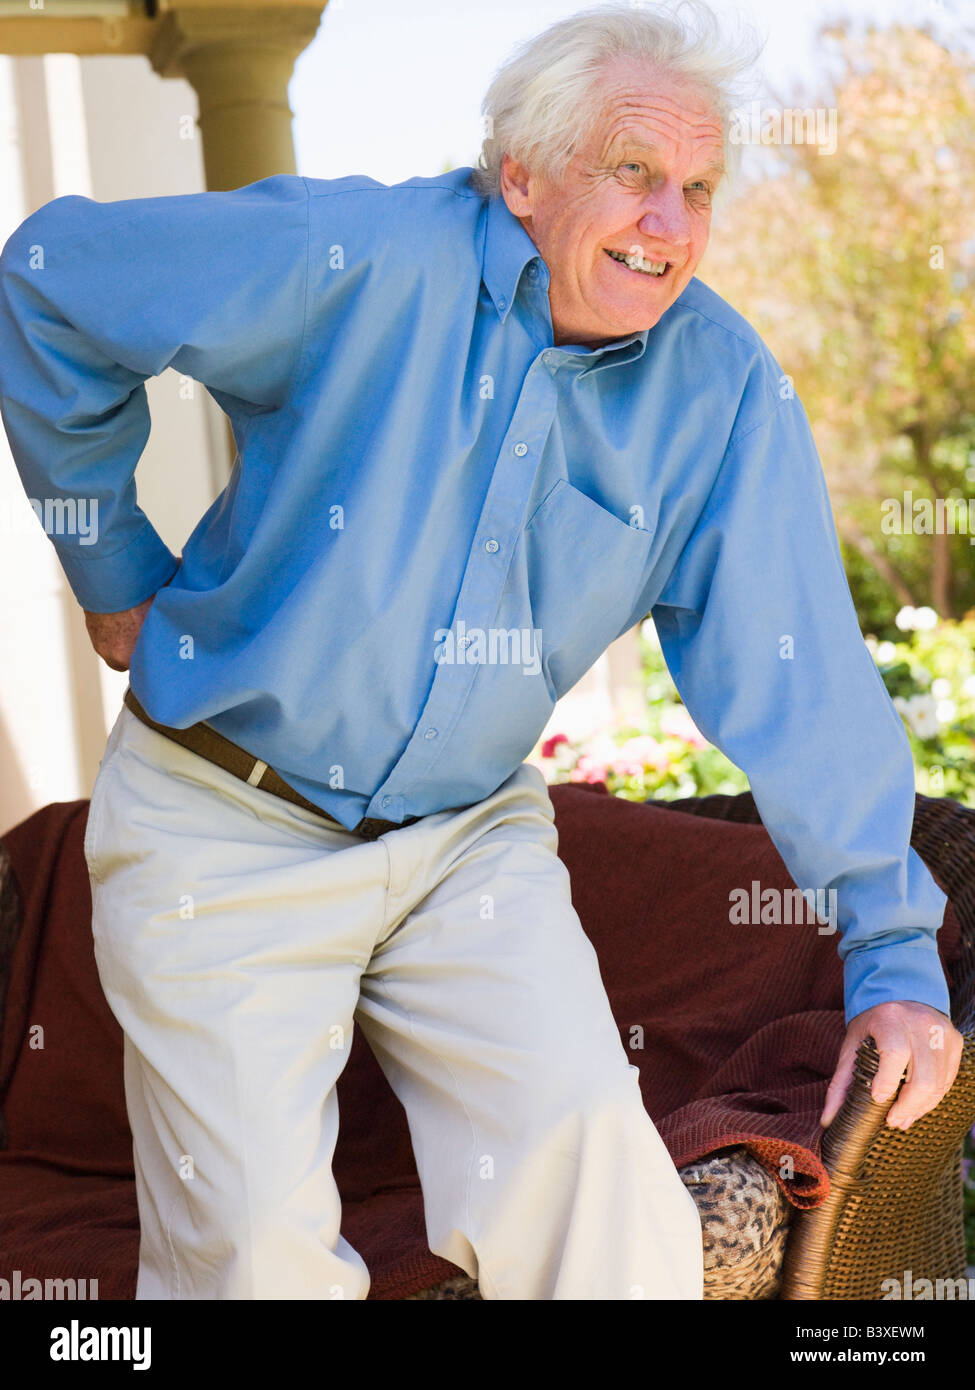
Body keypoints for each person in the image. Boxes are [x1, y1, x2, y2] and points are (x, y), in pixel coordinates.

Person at [0, 0, 961, 1300]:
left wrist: (893, 952)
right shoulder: (359, 256)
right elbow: (51, 279)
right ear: (522, 174)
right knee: (249, 1262)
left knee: (599, 1200)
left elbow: (797, 674)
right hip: (225, 816)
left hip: (464, 839)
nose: (670, 225)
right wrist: (109, 568)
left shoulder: (720, 394)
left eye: (697, 189)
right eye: (633, 174)